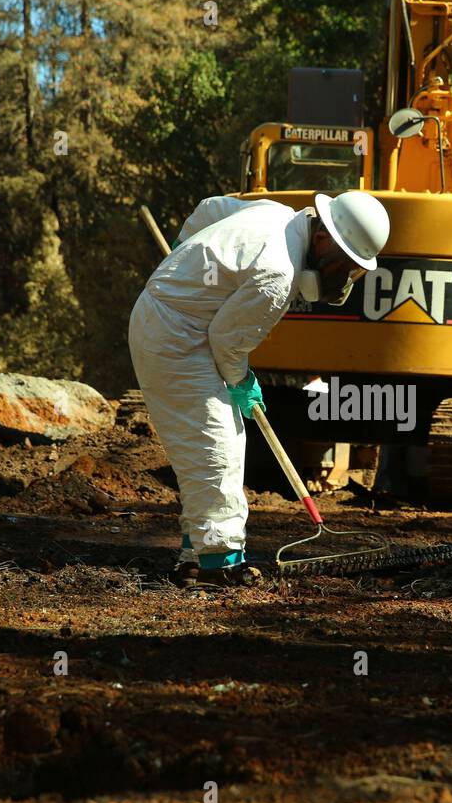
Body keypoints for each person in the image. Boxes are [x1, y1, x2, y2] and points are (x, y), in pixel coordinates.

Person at [128, 191, 390, 587]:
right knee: (216, 447)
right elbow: (227, 342)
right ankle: (219, 563)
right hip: (174, 336)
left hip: (181, 325)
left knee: (215, 444)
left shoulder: (277, 213)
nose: (344, 275)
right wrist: (242, 382)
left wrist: (184, 251)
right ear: (324, 240)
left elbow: (208, 208)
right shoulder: (278, 273)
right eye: (345, 264)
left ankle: (196, 553)